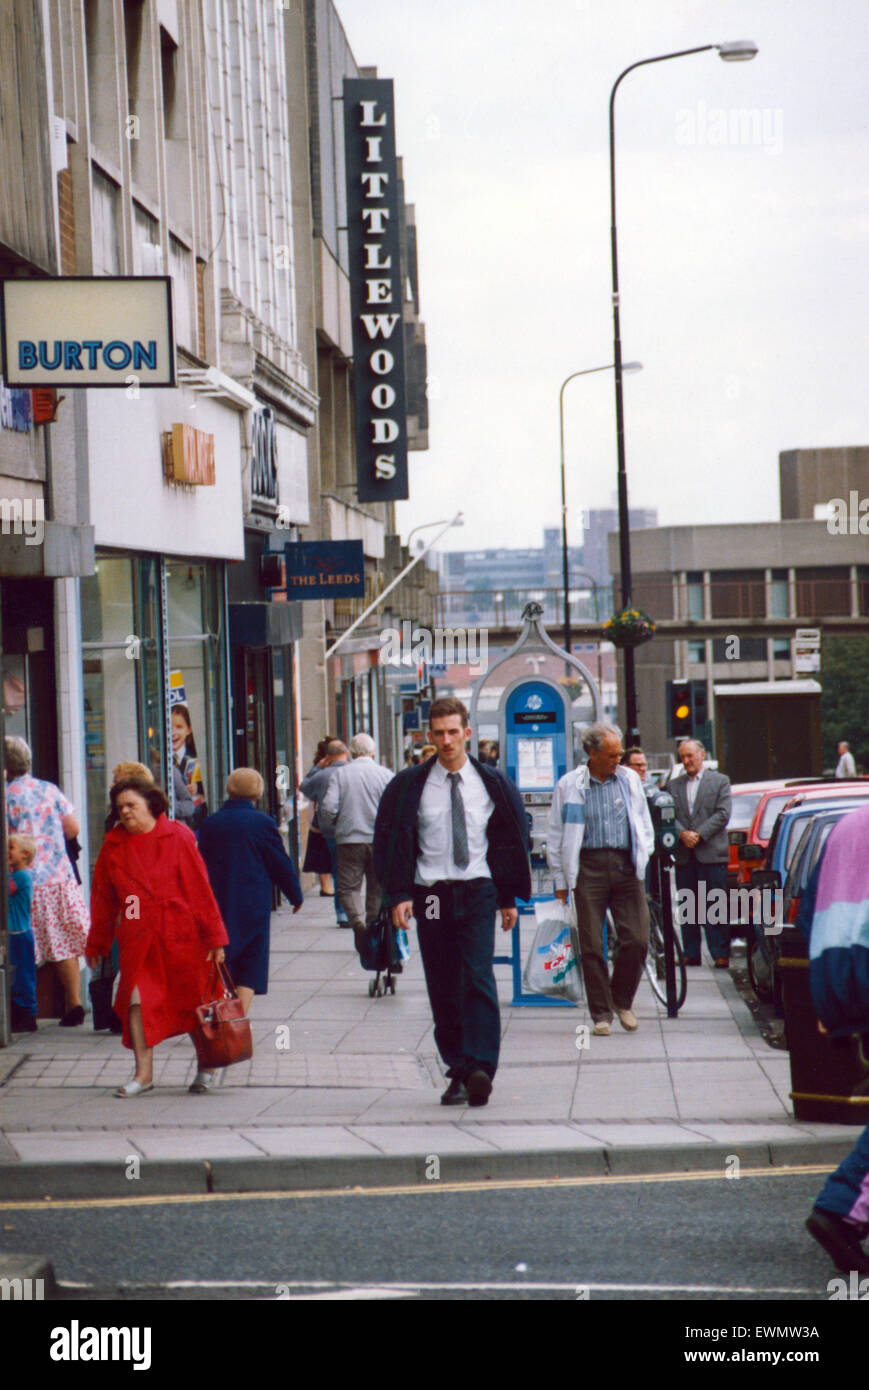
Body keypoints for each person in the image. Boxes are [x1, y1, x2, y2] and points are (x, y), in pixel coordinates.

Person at [374, 697, 531, 1108]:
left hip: (478, 889)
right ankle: (458, 1069)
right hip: (431, 896)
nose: (446, 740)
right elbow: (389, 841)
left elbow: (509, 840)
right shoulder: (409, 785)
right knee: (442, 981)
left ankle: (480, 1067)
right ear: (430, 736)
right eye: (438, 733)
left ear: (467, 733)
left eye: (453, 732)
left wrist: (508, 897)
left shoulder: (492, 784)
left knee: (478, 975)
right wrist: (398, 895)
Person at [86, 775, 228, 1097]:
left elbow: (199, 889)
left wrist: (215, 938)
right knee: (136, 1000)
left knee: (194, 1004)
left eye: (131, 805)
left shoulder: (177, 836)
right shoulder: (114, 845)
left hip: (183, 936)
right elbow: (106, 899)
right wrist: (99, 941)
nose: (124, 812)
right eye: (119, 807)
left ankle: (206, 1067)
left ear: (150, 805)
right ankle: (143, 1074)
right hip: (140, 940)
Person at [548, 722, 653, 1036]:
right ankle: (601, 1013)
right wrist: (560, 882)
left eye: (619, 753)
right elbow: (555, 834)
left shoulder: (629, 779)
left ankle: (622, 999)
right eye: (610, 755)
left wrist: (644, 852)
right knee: (592, 944)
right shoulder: (570, 785)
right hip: (588, 867)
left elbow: (643, 822)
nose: (617, 760)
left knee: (637, 938)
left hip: (625, 865)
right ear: (591, 753)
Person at [799, 803, 869, 1274]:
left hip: (843, 975)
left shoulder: (848, 824)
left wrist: (829, 998)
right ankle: (843, 1210)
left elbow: (811, 911)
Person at [198, 767, 304, 1027]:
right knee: (251, 961)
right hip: (252, 901)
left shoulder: (211, 823)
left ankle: (220, 1008)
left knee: (223, 956)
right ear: (258, 792)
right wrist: (294, 894)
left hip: (217, 899)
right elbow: (279, 861)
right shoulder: (262, 823)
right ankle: (235, 1017)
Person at [5, 736, 91, 1026]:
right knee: (62, 941)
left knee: (23, 943)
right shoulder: (49, 789)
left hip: (25, 878)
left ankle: (27, 1009)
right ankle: (74, 1002)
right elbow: (72, 828)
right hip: (59, 875)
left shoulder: (6, 796)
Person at [320, 733, 394, 949]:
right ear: (373, 752)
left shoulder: (341, 775)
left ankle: (357, 922)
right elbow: (394, 807)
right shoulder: (385, 775)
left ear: (351, 753)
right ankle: (372, 928)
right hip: (379, 841)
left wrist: (334, 826)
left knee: (348, 888)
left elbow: (328, 807)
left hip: (349, 840)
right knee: (377, 887)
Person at [670, 739, 732, 968]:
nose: (686, 761)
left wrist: (698, 834)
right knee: (688, 904)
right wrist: (682, 834)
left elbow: (723, 813)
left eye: (690, 756)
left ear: (702, 755)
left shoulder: (720, 782)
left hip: (711, 853)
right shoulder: (674, 786)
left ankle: (719, 952)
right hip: (685, 854)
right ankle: (691, 952)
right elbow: (668, 815)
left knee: (714, 903)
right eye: (682, 757)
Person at [300, 738, 350, 923]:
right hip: (355, 828)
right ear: (347, 753)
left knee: (338, 871)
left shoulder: (322, 775)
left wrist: (317, 768)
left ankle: (342, 913)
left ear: (327, 757)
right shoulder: (354, 772)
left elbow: (305, 788)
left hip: (330, 830)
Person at [8, 833, 38, 1032]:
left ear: (25, 854)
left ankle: (27, 1014)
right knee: (18, 974)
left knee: (22, 974)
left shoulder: (20, 876)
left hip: (18, 933)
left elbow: (6, 889)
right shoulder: (17, 875)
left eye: (11, 847)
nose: (6, 851)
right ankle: (20, 1011)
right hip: (15, 932)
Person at [171, 703, 207, 825]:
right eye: (169, 727)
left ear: (189, 730)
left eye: (179, 727)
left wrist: (198, 787)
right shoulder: (157, 759)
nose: (173, 732)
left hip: (195, 820)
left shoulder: (198, 756)